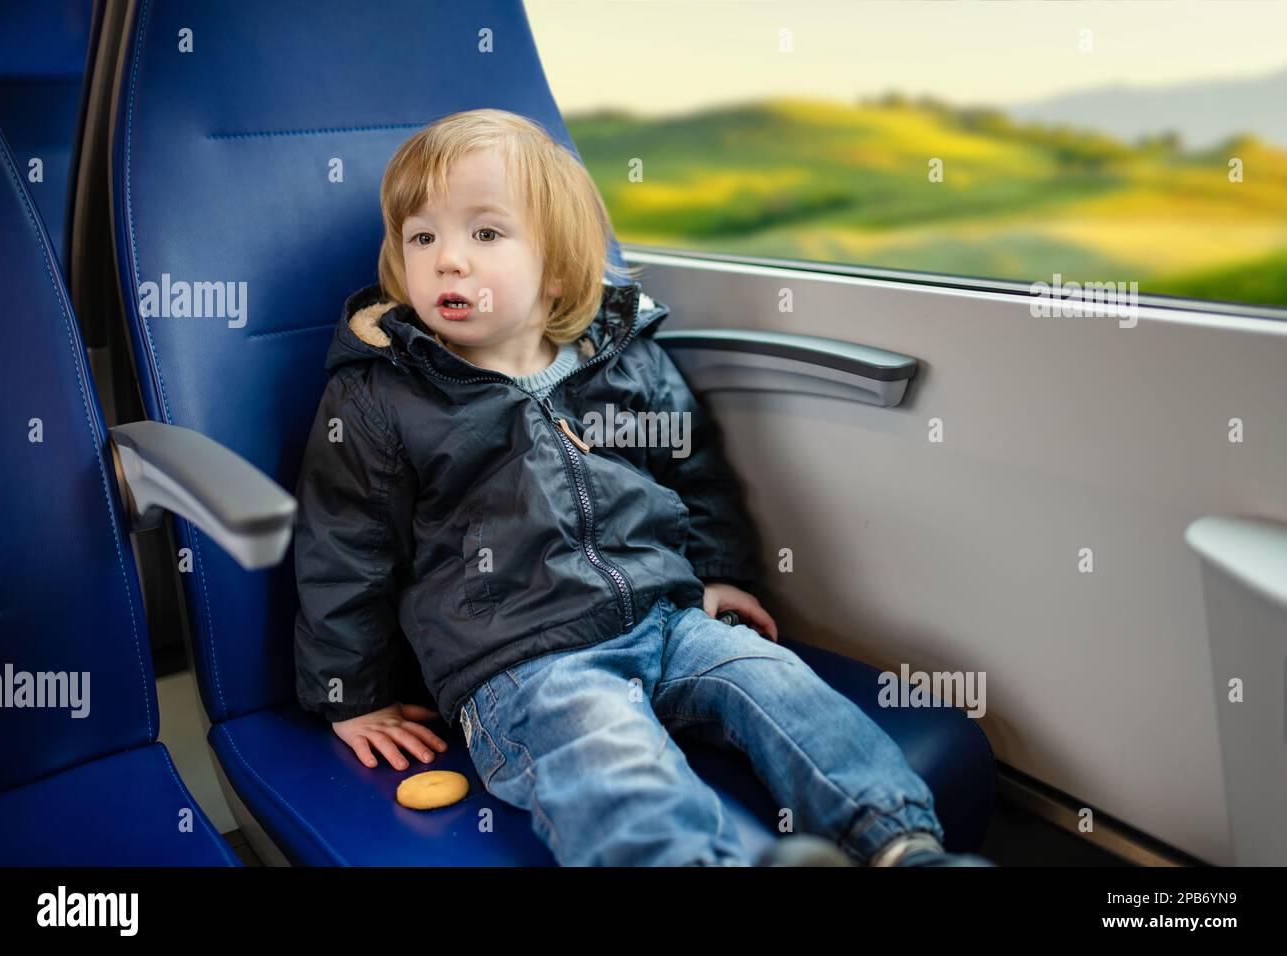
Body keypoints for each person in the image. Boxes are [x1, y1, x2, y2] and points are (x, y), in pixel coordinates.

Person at [293, 108, 992, 867]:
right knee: (606, 754)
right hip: (525, 663)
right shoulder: (382, 396)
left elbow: (694, 472)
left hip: (667, 618)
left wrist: (721, 572)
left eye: (485, 234)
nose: (447, 261)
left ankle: (902, 844)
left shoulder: (621, 357)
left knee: (781, 686)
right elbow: (343, 547)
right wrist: (349, 692)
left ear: (557, 268)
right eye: (421, 237)